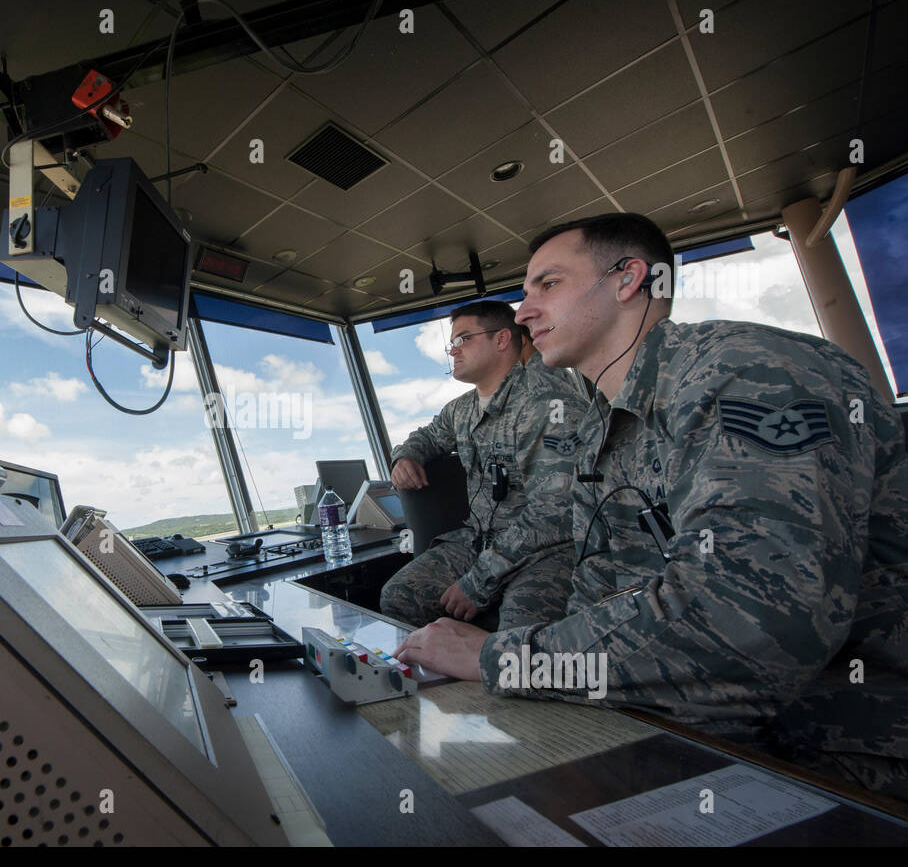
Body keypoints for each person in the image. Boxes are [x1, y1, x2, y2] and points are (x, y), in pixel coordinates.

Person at [393, 212, 908, 800]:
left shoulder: (744, 372)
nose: (523, 311)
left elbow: (750, 624)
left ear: (628, 279)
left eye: (549, 284)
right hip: (680, 719)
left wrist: (502, 657)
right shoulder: (600, 425)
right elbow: (604, 588)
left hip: (839, 751)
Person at [380, 300, 586, 630]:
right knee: (400, 595)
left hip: (545, 551)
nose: (453, 351)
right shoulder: (460, 410)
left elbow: (556, 512)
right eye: (452, 343)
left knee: (520, 632)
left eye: (464, 339)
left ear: (502, 339)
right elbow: (427, 436)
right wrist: (405, 457)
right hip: (478, 541)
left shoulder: (545, 400)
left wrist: (478, 581)